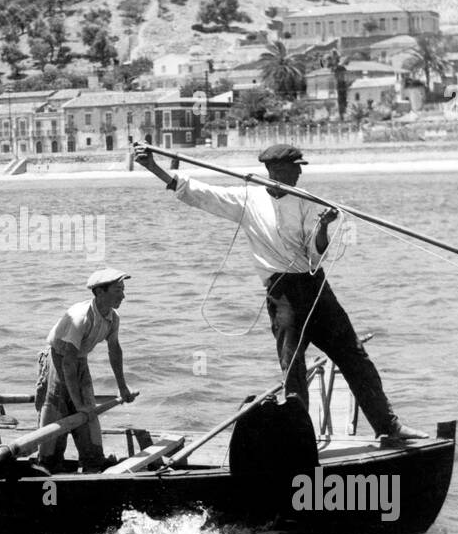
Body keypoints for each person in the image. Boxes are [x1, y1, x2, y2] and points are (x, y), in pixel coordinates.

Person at [134, 144, 425, 441]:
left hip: (316, 287)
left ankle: (388, 426)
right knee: (293, 367)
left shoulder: (308, 202)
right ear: (275, 171)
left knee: (355, 356)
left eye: (300, 167)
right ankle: (301, 440)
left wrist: (324, 226)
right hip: (282, 292)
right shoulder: (247, 199)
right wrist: (153, 167)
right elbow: (199, 193)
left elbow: (315, 256)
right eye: (295, 167)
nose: (300, 172)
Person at [35, 268, 139, 473]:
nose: (123, 296)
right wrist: (78, 403)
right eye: (118, 290)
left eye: (123, 290)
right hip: (57, 360)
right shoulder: (80, 317)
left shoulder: (112, 317)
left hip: (79, 361)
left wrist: (123, 388)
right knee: (58, 414)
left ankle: (92, 462)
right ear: (100, 292)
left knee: (88, 417)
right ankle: (48, 466)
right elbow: (67, 363)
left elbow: (114, 350)